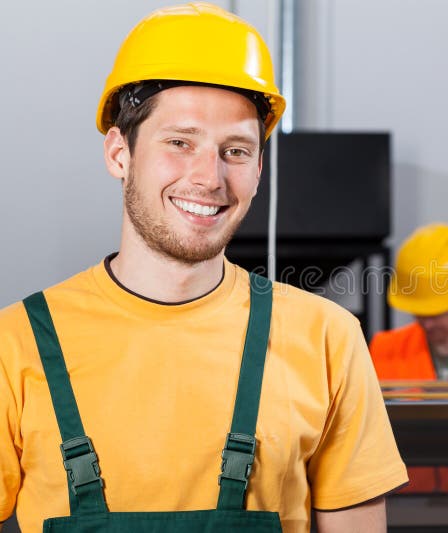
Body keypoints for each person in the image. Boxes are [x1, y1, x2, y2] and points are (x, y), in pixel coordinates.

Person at [0, 4, 407, 533]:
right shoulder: (18, 342)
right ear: (119, 153)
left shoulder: (327, 339)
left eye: (235, 150)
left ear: (259, 170)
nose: (209, 177)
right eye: (180, 142)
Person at [369, 223, 448, 493]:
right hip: (404, 508)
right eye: (419, 312)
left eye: (437, 312)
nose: (427, 323)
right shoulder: (385, 350)